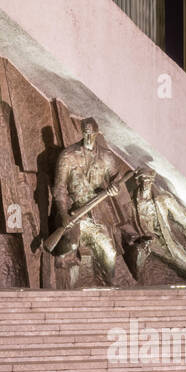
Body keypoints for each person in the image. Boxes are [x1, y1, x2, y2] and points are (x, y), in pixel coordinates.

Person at [48, 119, 128, 286]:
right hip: (73, 211)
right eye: (85, 133)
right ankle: (61, 267)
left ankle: (109, 289)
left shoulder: (106, 156)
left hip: (97, 213)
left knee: (110, 252)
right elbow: (60, 188)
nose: (88, 136)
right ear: (81, 132)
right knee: (69, 245)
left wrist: (115, 188)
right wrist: (63, 214)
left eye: (92, 133)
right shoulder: (67, 156)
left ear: (97, 133)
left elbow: (117, 177)